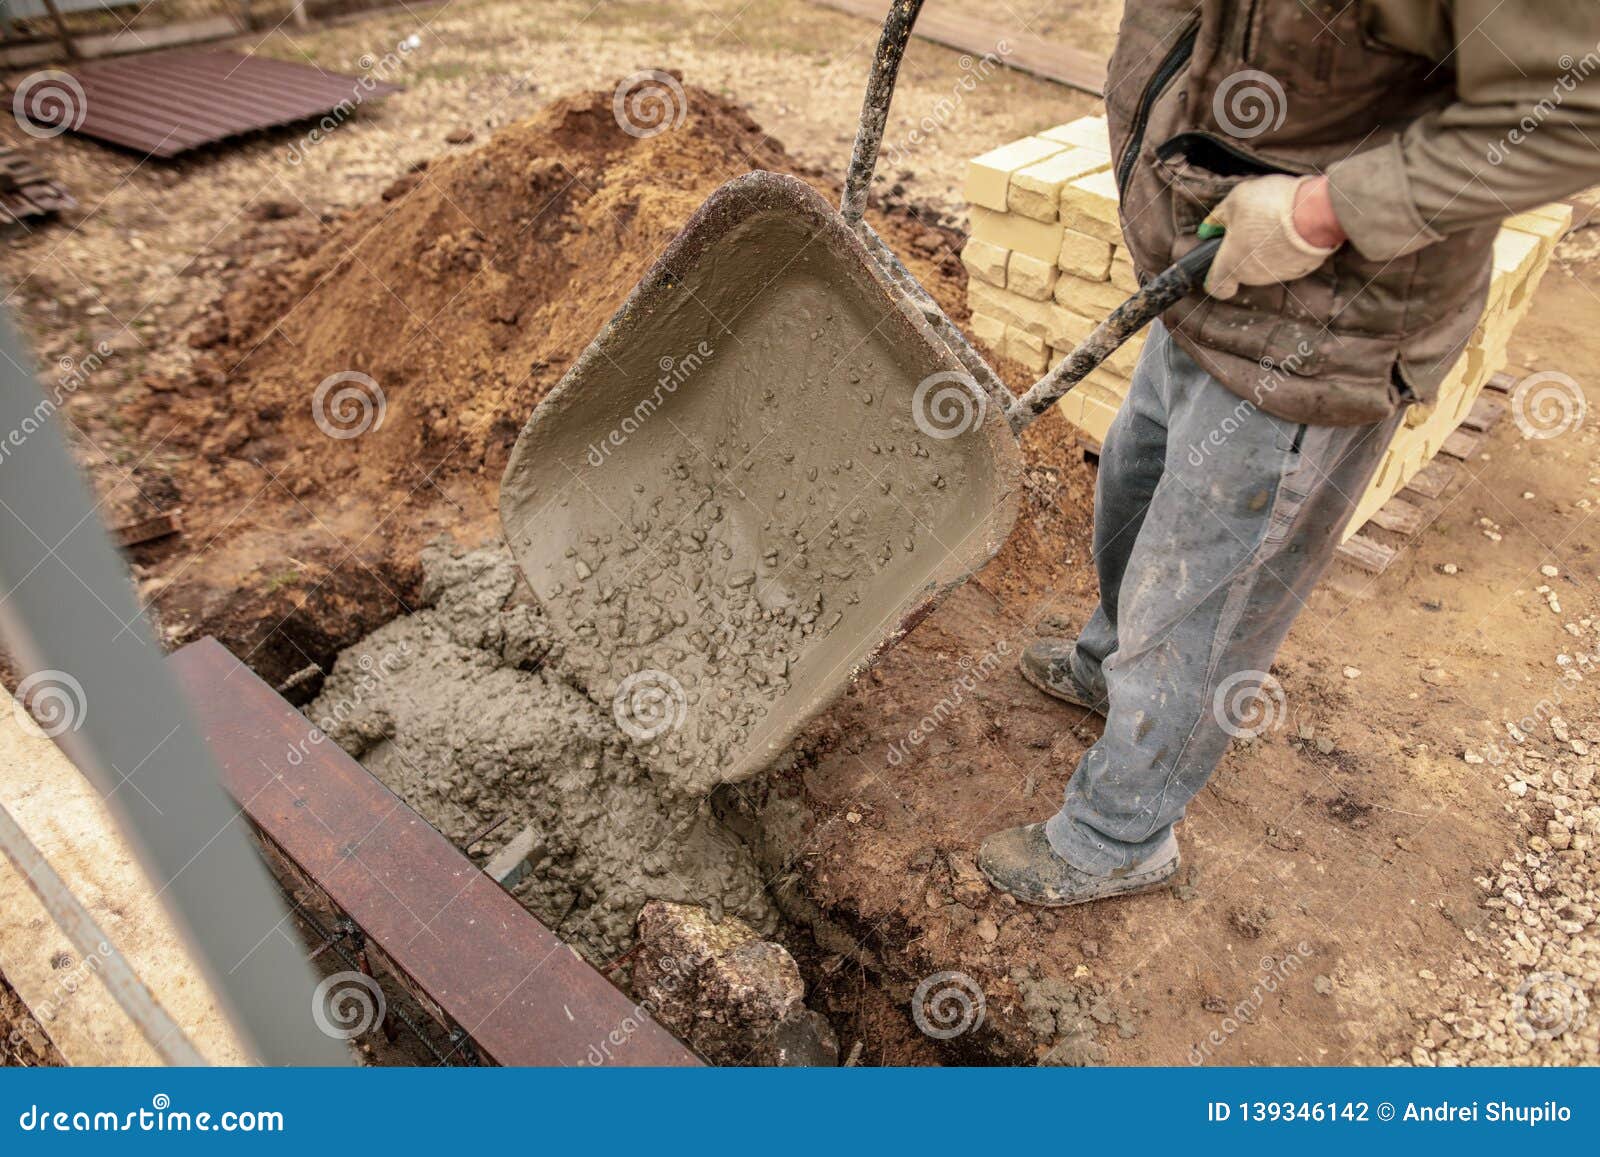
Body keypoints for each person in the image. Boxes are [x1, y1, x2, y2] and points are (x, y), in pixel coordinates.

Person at [979, 1, 1600, 906]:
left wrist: (1330, 209)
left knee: (1205, 591)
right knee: (1134, 487)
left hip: (1318, 321)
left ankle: (1121, 831)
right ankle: (1107, 665)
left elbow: (1576, 103)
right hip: (1208, 264)